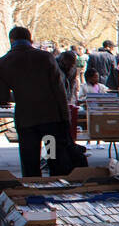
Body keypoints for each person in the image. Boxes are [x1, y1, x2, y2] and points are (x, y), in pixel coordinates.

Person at [0, 26, 73, 176]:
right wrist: (66, 117)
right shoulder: (45, 57)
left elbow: (2, 97)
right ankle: (56, 185)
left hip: (26, 122)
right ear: (30, 39)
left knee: (30, 163)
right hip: (51, 120)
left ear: (11, 40)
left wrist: (21, 94)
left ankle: (32, 188)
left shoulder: (4, 62)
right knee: (53, 158)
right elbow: (59, 90)